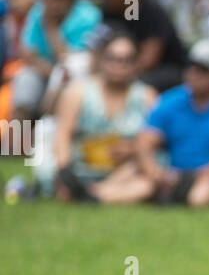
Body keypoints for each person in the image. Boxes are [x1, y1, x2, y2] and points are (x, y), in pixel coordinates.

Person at [121, 37, 209, 206]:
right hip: (172, 173)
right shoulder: (170, 100)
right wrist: (155, 171)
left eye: (203, 70)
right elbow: (145, 142)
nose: (195, 74)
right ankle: (92, 194)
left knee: (200, 196)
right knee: (136, 177)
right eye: (191, 67)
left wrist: (192, 177)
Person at [49, 30, 155, 201]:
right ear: (101, 59)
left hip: (126, 172)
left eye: (126, 60)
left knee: (147, 183)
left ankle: (93, 195)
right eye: (112, 58)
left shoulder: (147, 96)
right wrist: (64, 168)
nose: (119, 65)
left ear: (136, 64)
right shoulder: (77, 92)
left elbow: (156, 140)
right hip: (82, 167)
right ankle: (92, 193)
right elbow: (62, 134)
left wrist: (133, 148)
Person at [11, 0, 101, 121]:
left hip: (76, 75)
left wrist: (51, 28)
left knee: (65, 80)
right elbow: (27, 53)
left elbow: (70, 60)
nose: (50, 4)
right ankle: (18, 142)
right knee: (24, 85)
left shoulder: (88, 15)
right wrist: (53, 72)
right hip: (44, 69)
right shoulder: (39, 10)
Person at [100, 0, 187, 93]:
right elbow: (99, 47)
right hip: (122, 64)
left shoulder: (152, 11)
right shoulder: (110, 11)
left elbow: (148, 61)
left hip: (165, 69)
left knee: (139, 84)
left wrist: (119, 71)